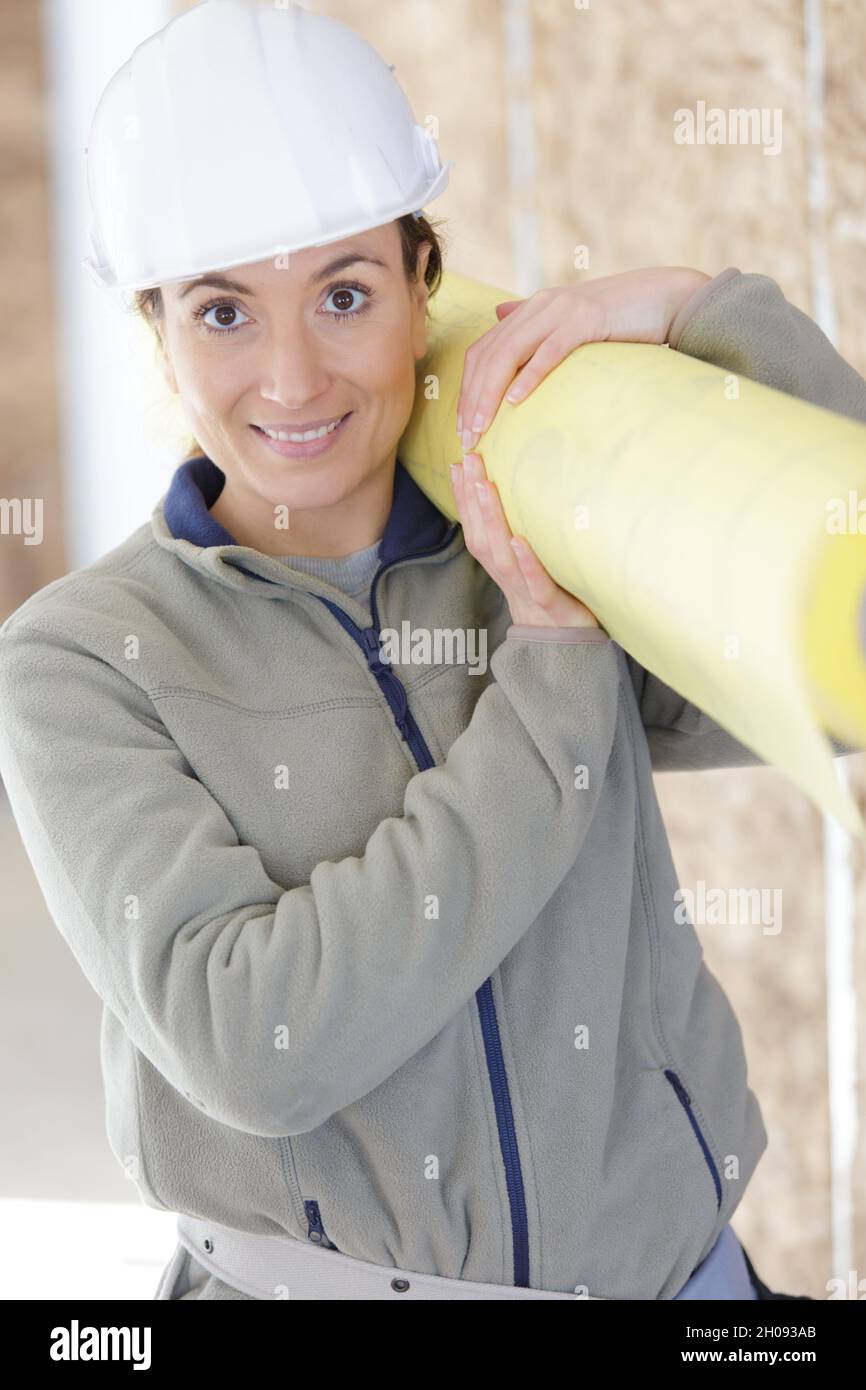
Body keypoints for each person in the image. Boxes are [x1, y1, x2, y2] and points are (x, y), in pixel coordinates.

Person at [1, 0, 863, 1302]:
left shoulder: (542, 526)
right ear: (156, 329)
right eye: (224, 312)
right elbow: (253, 1039)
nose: (291, 379)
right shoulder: (82, 661)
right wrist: (552, 676)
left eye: (343, 292)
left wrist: (703, 310)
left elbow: (829, 644)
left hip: (686, 1286)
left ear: (424, 288)